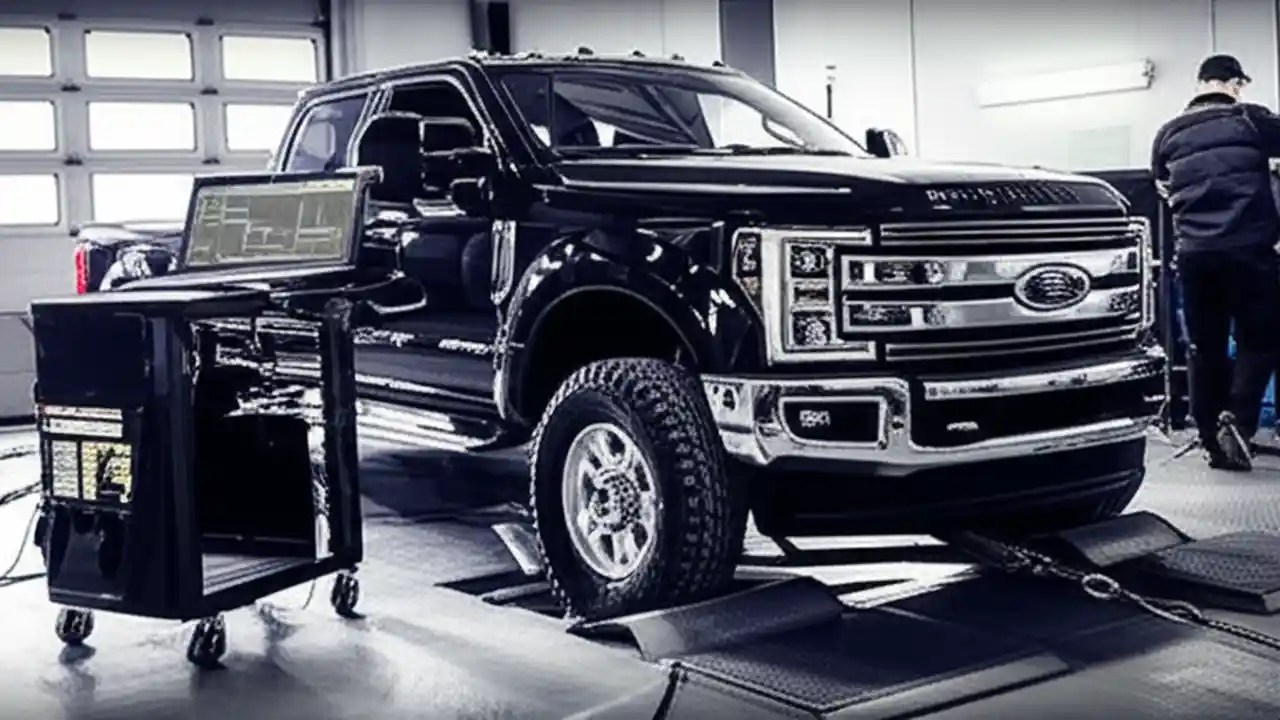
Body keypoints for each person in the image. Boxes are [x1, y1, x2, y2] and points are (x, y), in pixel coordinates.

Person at [1152, 54, 1280, 471]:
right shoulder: (1251, 119)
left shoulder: (1166, 134)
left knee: (1204, 349)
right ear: (1235, 83)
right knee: (1259, 340)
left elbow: (1164, 188)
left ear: (1200, 83)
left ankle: (1211, 441)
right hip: (1250, 250)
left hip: (1194, 256)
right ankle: (1239, 422)